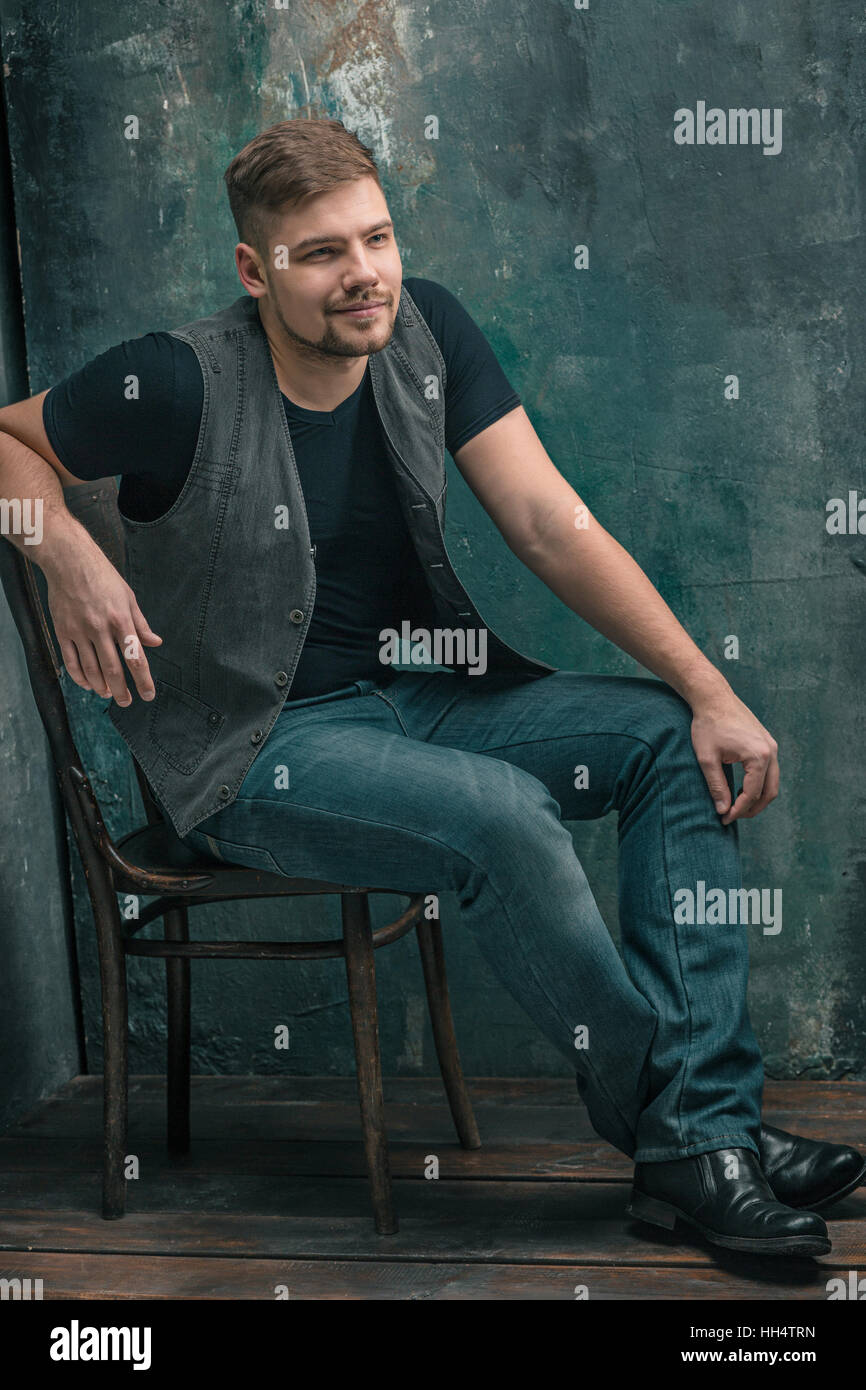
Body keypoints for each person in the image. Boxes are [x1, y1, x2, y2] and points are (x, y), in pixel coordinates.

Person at [1, 117, 861, 1261]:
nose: (362, 272)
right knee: (501, 816)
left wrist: (710, 688)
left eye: (377, 237)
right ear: (256, 272)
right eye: (320, 253)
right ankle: (699, 1138)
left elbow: (550, 525)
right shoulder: (171, 378)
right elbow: (5, 442)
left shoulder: (424, 329)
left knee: (667, 734)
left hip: (418, 698)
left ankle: (696, 1139)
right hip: (257, 752)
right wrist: (64, 550)